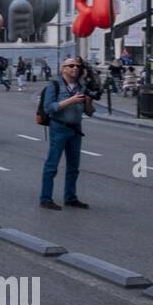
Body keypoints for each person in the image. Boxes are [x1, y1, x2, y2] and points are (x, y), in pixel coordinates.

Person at [39, 57, 94, 210]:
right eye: (71, 66)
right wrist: (70, 100)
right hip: (59, 128)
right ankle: (45, 198)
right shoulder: (54, 85)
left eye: (77, 66)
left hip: (76, 129)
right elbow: (49, 108)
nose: (75, 68)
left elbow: (90, 113)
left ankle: (70, 197)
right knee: (52, 165)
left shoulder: (81, 87)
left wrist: (88, 103)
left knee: (74, 167)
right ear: (63, 69)